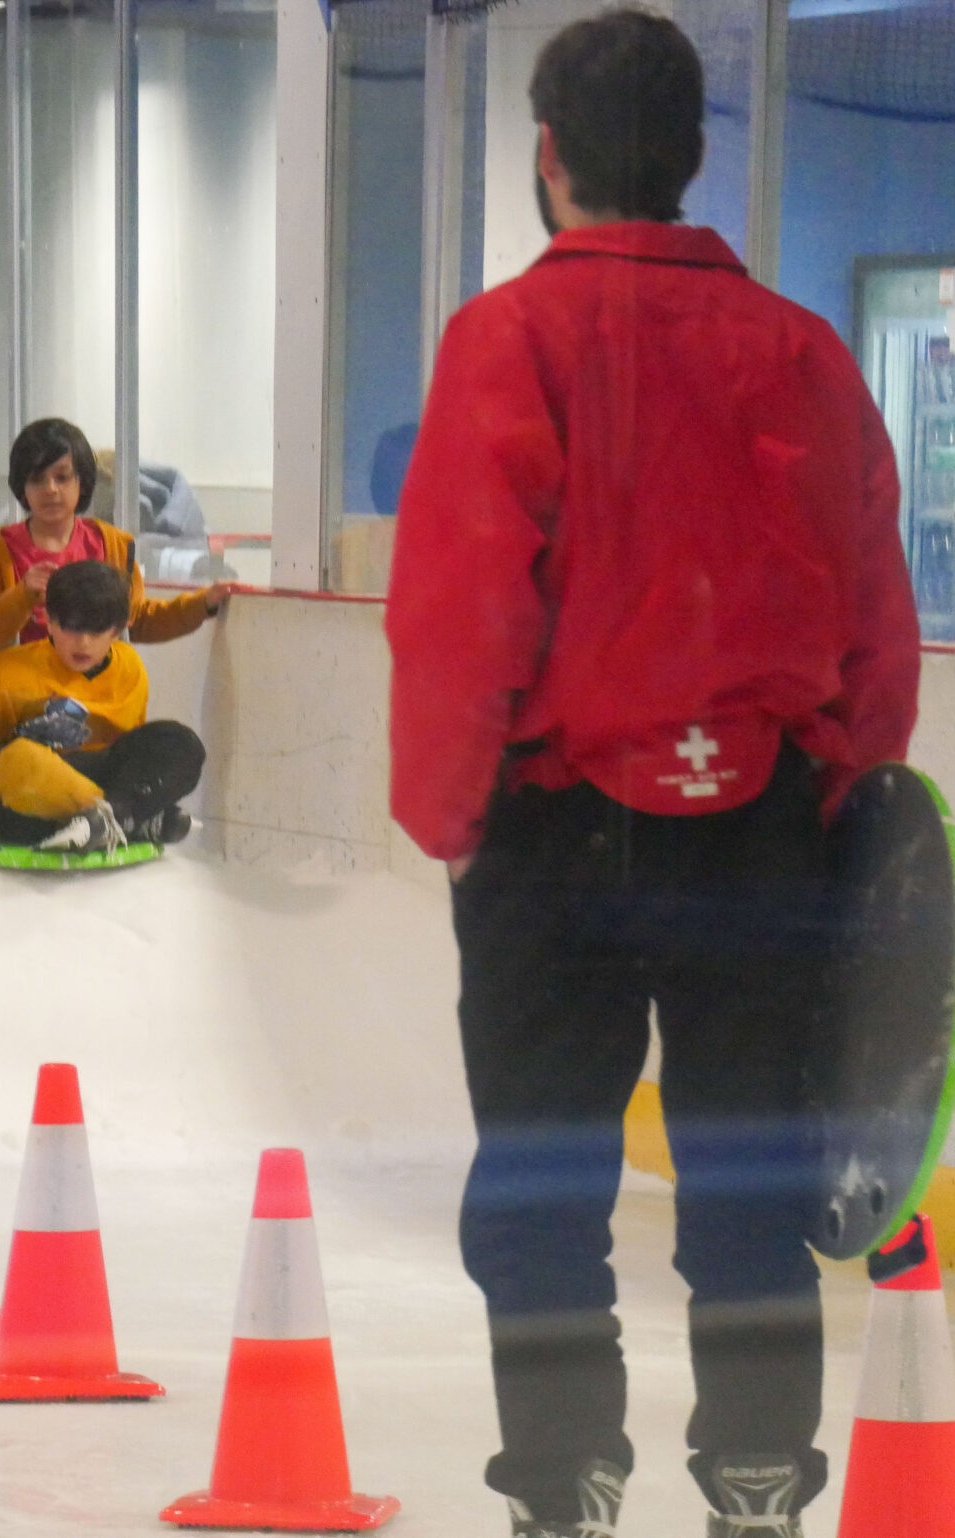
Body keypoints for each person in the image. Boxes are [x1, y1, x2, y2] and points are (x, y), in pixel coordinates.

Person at [383, 12, 919, 1538]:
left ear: (547, 158)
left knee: (542, 1181)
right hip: (759, 838)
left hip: (556, 837)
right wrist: (836, 801)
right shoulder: (803, 353)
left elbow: (460, 610)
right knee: (751, 1173)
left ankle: (566, 1483)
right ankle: (757, 1475)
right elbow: (878, 624)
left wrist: (456, 821)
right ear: (694, 158)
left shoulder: (508, 340)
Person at [0, 561, 203, 857]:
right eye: (70, 628)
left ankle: (110, 817)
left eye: (97, 630)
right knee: (19, 757)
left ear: (117, 629)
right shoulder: (8, 670)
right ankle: (122, 819)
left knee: (180, 743)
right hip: (22, 807)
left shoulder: (130, 669)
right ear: (49, 621)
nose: (83, 643)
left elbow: (127, 754)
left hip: (90, 774)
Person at [0, 418, 231, 667]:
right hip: (17, 704)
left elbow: (137, 620)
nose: (51, 489)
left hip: (98, 702)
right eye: (37, 479)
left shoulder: (115, 546)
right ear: (21, 487)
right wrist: (19, 599)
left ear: (83, 481)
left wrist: (201, 604)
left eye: (62, 477)